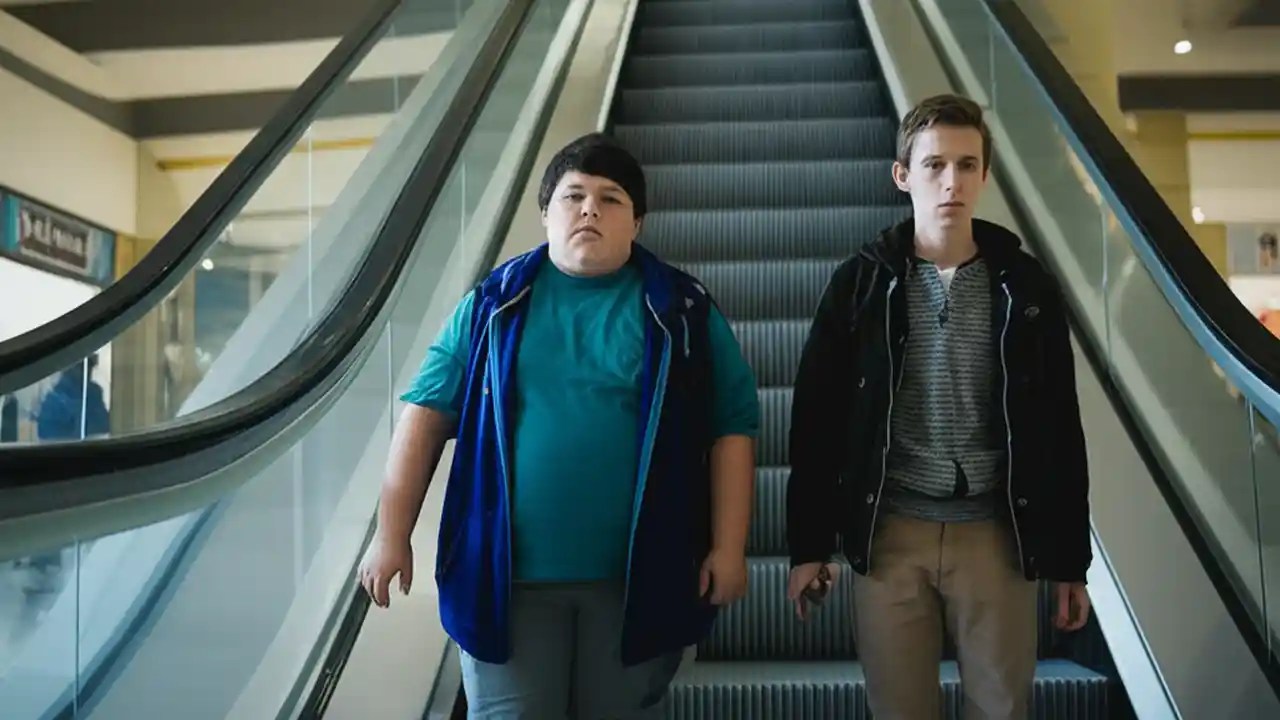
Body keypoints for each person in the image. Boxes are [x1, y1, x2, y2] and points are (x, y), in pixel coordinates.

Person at [359, 133, 760, 719]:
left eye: (611, 198)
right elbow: (423, 415)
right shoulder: (492, 305)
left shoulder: (683, 310)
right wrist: (391, 533)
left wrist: (728, 548)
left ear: (637, 223)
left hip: (638, 583)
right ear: (546, 215)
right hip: (506, 584)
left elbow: (732, 427)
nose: (590, 209)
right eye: (573, 196)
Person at [785, 94, 1092, 720]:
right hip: (890, 530)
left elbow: (1060, 425)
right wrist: (809, 545)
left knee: (1003, 708)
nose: (951, 181)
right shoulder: (861, 284)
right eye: (933, 165)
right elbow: (815, 422)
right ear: (903, 175)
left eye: (967, 165)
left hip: (997, 534)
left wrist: (1069, 561)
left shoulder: (1025, 287)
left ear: (984, 175)